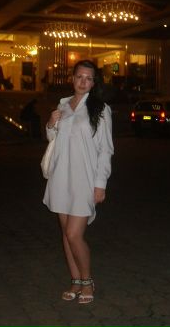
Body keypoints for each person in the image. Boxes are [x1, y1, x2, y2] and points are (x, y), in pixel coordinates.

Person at [43, 59, 114, 304]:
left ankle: (87, 280)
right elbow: (53, 139)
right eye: (80, 77)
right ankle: (75, 280)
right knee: (65, 233)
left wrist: (100, 183)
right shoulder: (63, 105)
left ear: (94, 83)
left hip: (84, 178)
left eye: (89, 78)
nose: (83, 82)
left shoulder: (100, 109)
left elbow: (105, 149)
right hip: (60, 176)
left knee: (74, 234)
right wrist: (51, 123)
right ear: (72, 78)